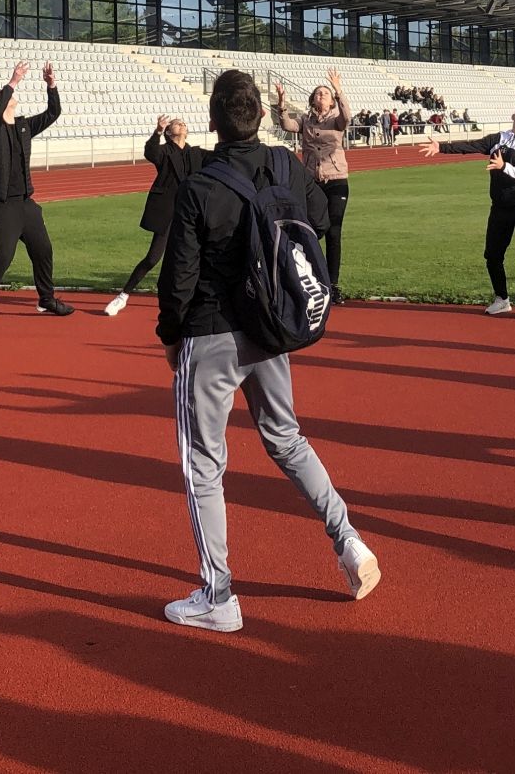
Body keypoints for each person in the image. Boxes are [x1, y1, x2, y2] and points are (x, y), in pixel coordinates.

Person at [157, 68, 378, 632]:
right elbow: (320, 219)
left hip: (210, 331)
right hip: (270, 326)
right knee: (287, 438)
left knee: (204, 465)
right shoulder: (284, 163)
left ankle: (218, 595)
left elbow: (178, 279)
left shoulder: (199, 186)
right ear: (260, 115)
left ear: (213, 120)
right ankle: (348, 538)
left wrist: (170, 338)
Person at [419, 103, 515, 316]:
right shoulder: (498, 138)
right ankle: (502, 299)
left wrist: (503, 166)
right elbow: (472, 145)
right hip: (500, 207)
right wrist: (441, 147)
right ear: (513, 115)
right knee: (493, 255)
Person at [0, 60, 72, 328]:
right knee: (1, 258)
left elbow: (53, 113)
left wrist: (51, 85)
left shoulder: (23, 126)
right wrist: (13, 80)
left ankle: (47, 299)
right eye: (4, 96)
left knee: (43, 250)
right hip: (2, 206)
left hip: (26, 204)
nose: (12, 97)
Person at [107, 115, 205, 317]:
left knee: (196, 259)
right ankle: (123, 296)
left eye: (184, 123)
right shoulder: (164, 152)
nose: (182, 124)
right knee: (152, 258)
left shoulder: (195, 154)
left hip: (190, 216)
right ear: (169, 132)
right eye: (177, 123)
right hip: (168, 214)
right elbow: (150, 152)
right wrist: (157, 131)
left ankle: (195, 300)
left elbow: (220, 155)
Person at [271, 67, 351, 297]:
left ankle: (332, 284)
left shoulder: (336, 120)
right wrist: (282, 103)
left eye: (325, 94)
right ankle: (310, 278)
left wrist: (338, 90)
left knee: (333, 231)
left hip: (335, 179)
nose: (321, 96)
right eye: (318, 93)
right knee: (311, 229)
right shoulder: (306, 120)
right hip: (311, 182)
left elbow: (346, 117)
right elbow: (287, 125)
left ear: (331, 101)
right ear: (312, 99)